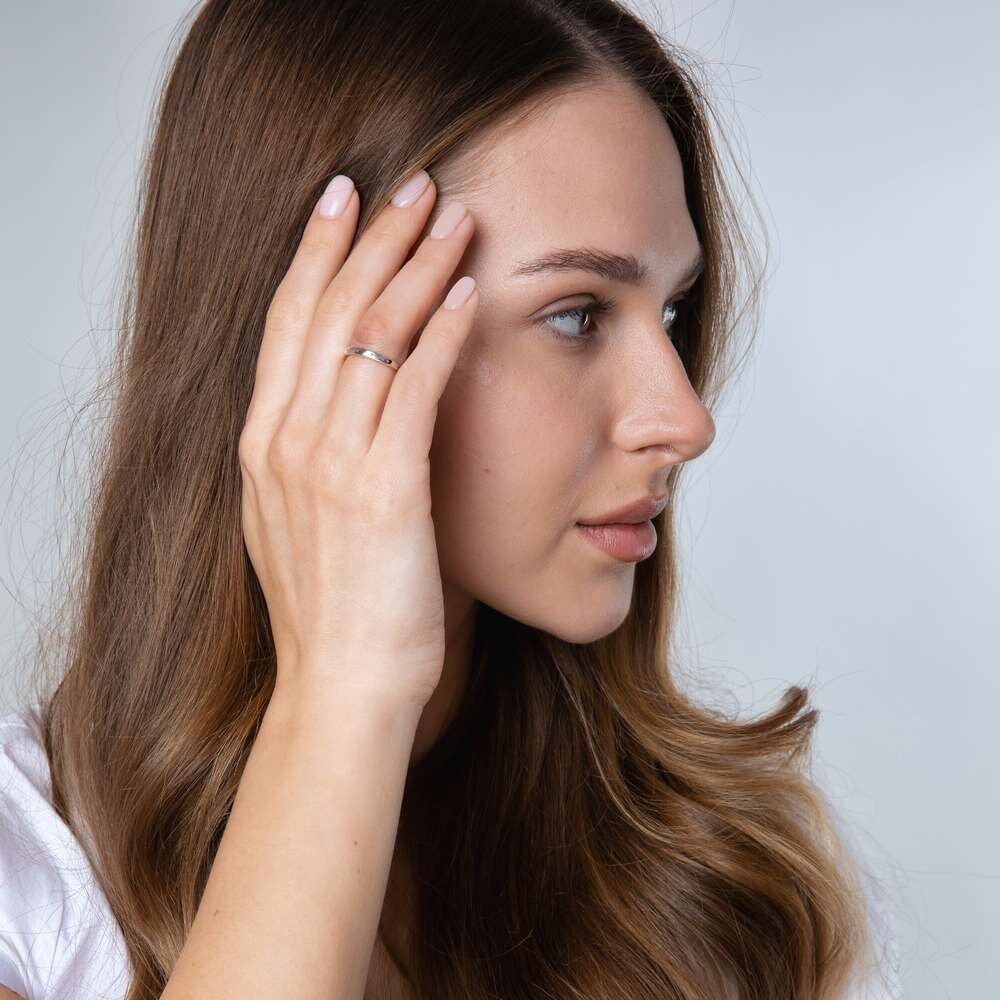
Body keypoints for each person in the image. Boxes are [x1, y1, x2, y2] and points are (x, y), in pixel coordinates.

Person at [0, 1, 903, 998]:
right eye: (576, 314)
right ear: (311, 342)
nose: (683, 419)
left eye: (674, 309)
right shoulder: (28, 889)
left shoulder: (728, 878)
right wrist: (346, 685)